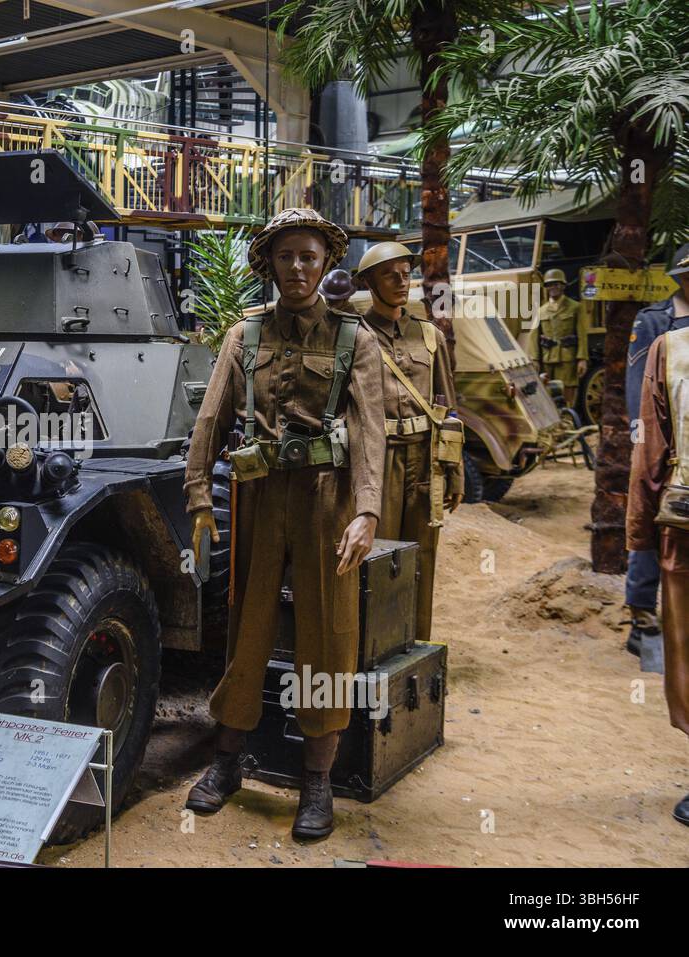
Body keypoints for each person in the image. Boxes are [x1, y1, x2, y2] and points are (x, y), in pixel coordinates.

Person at [182, 208, 386, 841]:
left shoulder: (357, 340)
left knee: (327, 634)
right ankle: (227, 761)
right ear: (267, 262)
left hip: (328, 504)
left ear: (326, 265)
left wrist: (368, 511)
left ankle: (317, 780)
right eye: (286, 256)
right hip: (258, 497)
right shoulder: (243, 338)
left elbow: (371, 434)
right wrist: (196, 497)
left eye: (309, 256)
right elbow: (212, 421)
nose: (297, 268)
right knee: (247, 627)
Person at [356, 241, 463, 643]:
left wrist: (454, 473)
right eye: (390, 275)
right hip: (377, 461)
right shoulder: (354, 337)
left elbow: (447, 409)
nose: (402, 282)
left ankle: (415, 648)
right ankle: (372, 647)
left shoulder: (430, 336)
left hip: (423, 460)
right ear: (369, 282)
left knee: (422, 559)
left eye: (406, 273)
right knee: (377, 557)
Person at [626, 322, 689, 827]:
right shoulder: (670, 348)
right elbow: (652, 443)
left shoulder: (671, 349)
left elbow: (652, 446)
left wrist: (641, 530)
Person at [625, 243, 689, 657]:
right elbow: (639, 389)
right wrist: (645, 446)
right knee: (649, 525)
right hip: (661, 447)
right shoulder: (655, 322)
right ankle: (643, 618)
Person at [534, 268, 584, 407]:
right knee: (547, 391)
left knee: (567, 390)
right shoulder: (540, 311)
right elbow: (534, 338)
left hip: (567, 358)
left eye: (557, 284)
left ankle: (568, 417)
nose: (553, 288)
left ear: (563, 285)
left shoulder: (575, 307)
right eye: (550, 284)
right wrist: (534, 359)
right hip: (548, 358)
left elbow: (581, 334)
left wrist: (582, 359)